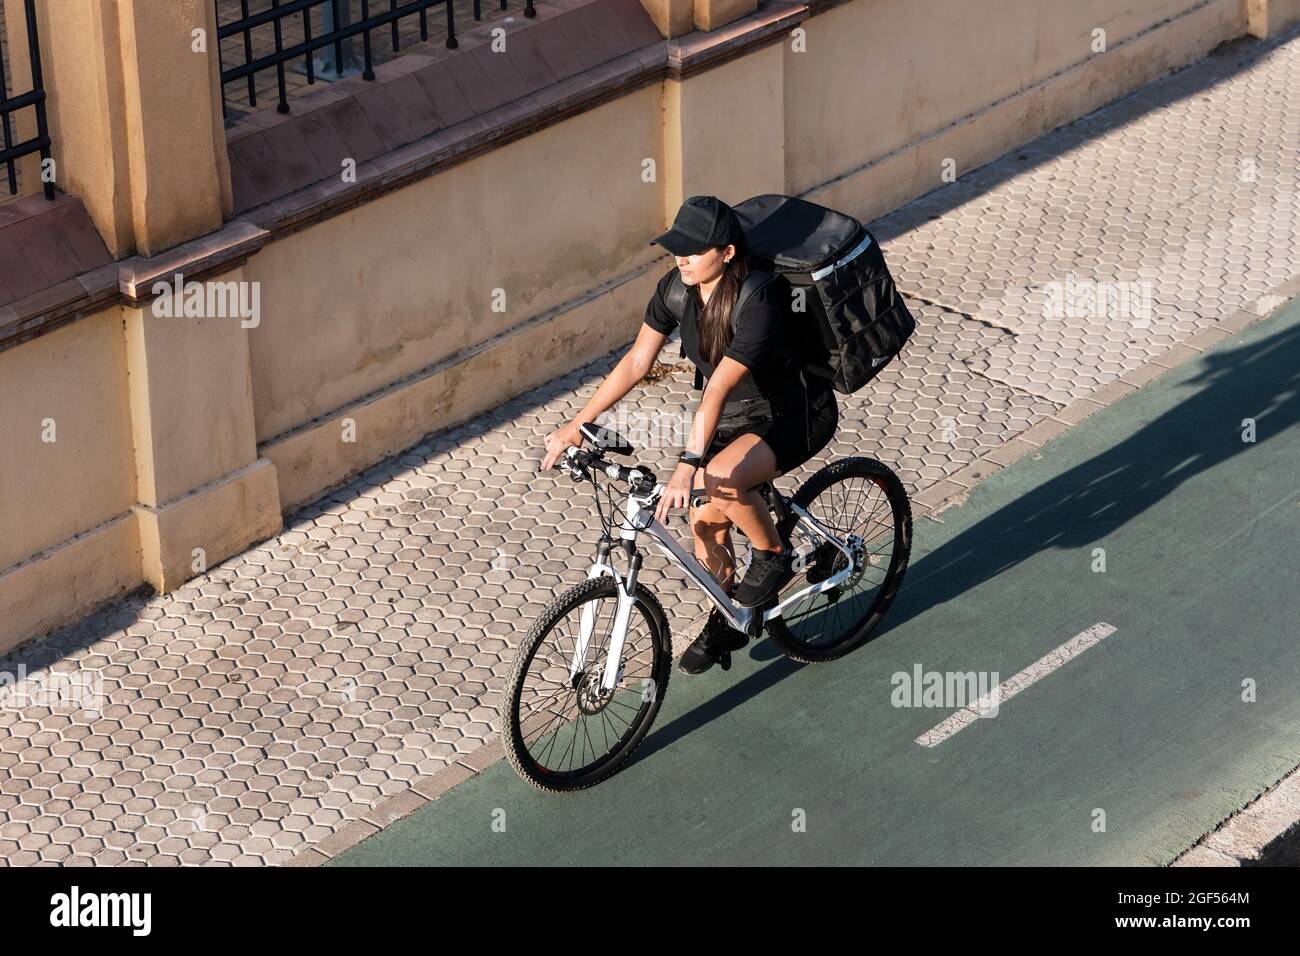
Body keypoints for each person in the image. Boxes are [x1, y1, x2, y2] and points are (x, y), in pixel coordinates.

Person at [540, 196, 838, 674]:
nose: (681, 259)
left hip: (793, 413)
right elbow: (638, 363)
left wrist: (685, 467)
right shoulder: (676, 289)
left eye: (694, 251)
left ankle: (773, 555)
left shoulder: (758, 298)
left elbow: (717, 385)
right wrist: (577, 424)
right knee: (704, 527)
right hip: (732, 421)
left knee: (716, 478)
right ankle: (729, 617)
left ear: (727, 253)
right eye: (677, 248)